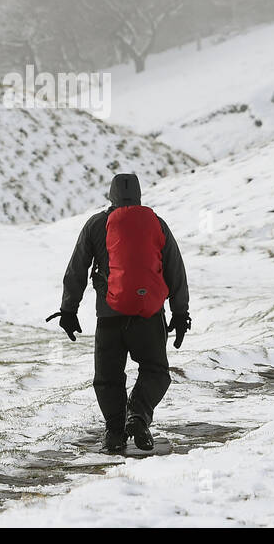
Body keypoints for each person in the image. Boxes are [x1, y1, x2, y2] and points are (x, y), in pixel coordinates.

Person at [47, 172, 191, 453]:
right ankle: (137, 415)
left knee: (108, 377)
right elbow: (175, 270)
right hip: (149, 315)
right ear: (138, 195)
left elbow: (77, 268)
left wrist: (68, 309)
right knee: (156, 371)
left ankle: (114, 433)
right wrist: (180, 312)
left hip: (110, 316)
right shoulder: (156, 224)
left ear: (111, 195)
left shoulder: (96, 225)